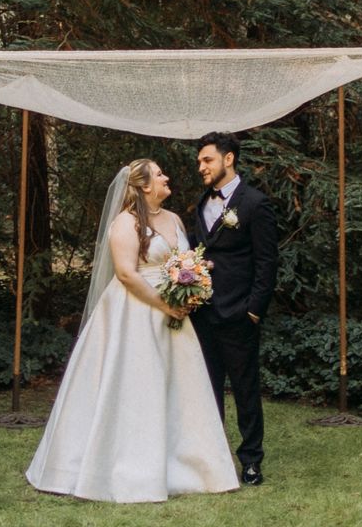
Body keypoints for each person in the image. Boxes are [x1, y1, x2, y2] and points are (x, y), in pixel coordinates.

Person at [25, 159, 240, 502]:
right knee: (135, 387)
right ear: (143, 186)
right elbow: (126, 274)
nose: (166, 177)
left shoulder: (172, 219)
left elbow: (184, 261)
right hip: (134, 313)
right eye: (158, 174)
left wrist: (190, 288)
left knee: (179, 386)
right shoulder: (125, 223)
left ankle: (189, 466)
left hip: (175, 315)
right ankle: (127, 469)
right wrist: (165, 304)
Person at [185, 132, 278, 485]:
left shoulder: (255, 203)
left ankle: (251, 459)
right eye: (199, 162)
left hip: (239, 314)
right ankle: (214, 456)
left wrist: (254, 310)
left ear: (228, 159)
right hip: (203, 313)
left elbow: (267, 262)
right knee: (207, 389)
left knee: (245, 390)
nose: (201, 167)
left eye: (207, 160)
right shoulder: (201, 204)